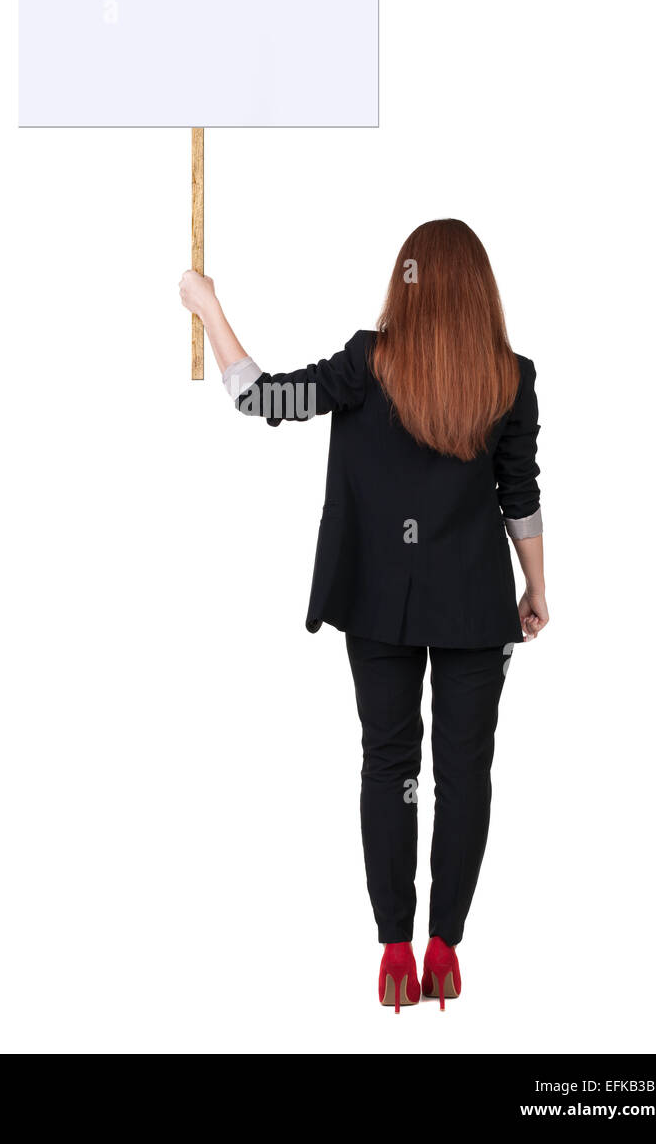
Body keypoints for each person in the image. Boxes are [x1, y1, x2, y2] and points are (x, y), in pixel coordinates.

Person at [179, 218, 547, 1013]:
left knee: (390, 766)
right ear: (481, 290)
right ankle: (444, 943)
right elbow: (520, 495)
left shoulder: (367, 362)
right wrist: (537, 587)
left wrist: (209, 309)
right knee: (464, 773)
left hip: (379, 604)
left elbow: (259, 397)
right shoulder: (509, 377)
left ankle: (393, 951)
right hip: (476, 606)